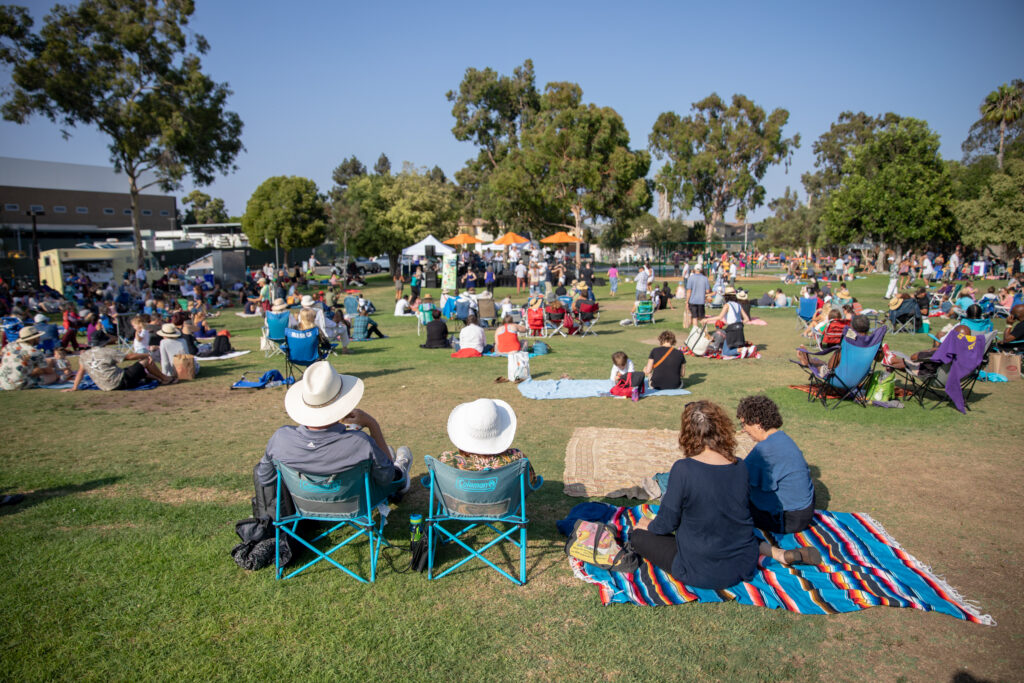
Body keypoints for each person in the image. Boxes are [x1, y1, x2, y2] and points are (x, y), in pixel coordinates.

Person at [254, 361, 413, 516]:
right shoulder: (360, 443)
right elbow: (387, 477)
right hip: (354, 505)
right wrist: (372, 425)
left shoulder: (281, 439)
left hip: (304, 504)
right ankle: (402, 471)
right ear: (341, 402)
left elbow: (264, 477)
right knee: (392, 469)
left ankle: (395, 462)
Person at [630, 401, 759, 589]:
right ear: (722, 430)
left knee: (638, 536)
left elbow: (667, 524)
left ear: (688, 433)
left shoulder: (684, 470)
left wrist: (647, 525)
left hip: (701, 569)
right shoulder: (740, 466)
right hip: (742, 563)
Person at [736, 396, 816, 540]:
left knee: (730, 503)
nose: (743, 430)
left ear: (757, 424)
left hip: (787, 519)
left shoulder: (764, 450)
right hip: (806, 511)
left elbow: (737, 479)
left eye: (744, 424)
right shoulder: (783, 438)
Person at [437, 398, 537, 486]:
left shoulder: (446, 461)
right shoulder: (517, 460)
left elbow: (435, 484)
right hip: (506, 507)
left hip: (458, 507)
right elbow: (531, 483)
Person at [64, 329, 172, 391]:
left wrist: (74, 387)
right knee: (146, 361)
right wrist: (146, 354)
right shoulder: (107, 352)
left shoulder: (84, 356)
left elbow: (80, 372)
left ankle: (159, 379)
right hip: (119, 382)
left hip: (104, 386)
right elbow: (128, 357)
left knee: (133, 369)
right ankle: (165, 378)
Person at [0, 326, 58, 390]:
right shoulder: (35, 352)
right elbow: (48, 371)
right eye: (38, 337)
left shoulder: (10, 345)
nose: (39, 338)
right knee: (53, 376)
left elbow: (1, 354)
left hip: (3, 382)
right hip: (19, 384)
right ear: (32, 338)